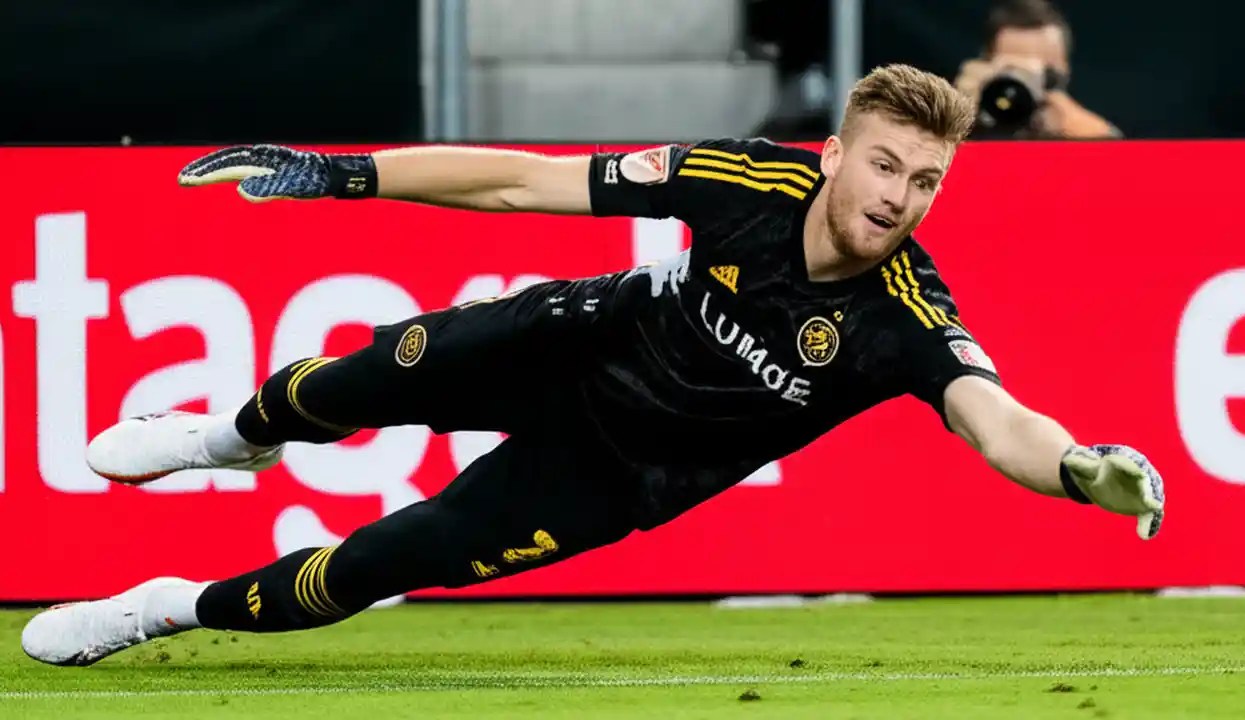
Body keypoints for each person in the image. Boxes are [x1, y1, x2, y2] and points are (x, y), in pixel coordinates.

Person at [22, 64, 1164, 667]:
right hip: (572, 341)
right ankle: (229, 442)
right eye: (882, 167)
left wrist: (1077, 471)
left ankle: (164, 609)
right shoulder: (740, 181)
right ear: (832, 153)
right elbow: (524, 180)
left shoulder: (902, 313)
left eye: (923, 183)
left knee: (376, 562)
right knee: (347, 384)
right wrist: (339, 174)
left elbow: (992, 416)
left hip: (620, 477)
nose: (895, 200)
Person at [954, 0, 1120, 139]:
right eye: (1013, 70)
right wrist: (958, 112)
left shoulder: (1079, 127)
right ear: (985, 64)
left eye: (1047, 71)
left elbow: (1117, 157)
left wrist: (1077, 130)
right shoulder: (966, 120)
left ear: (1065, 68)